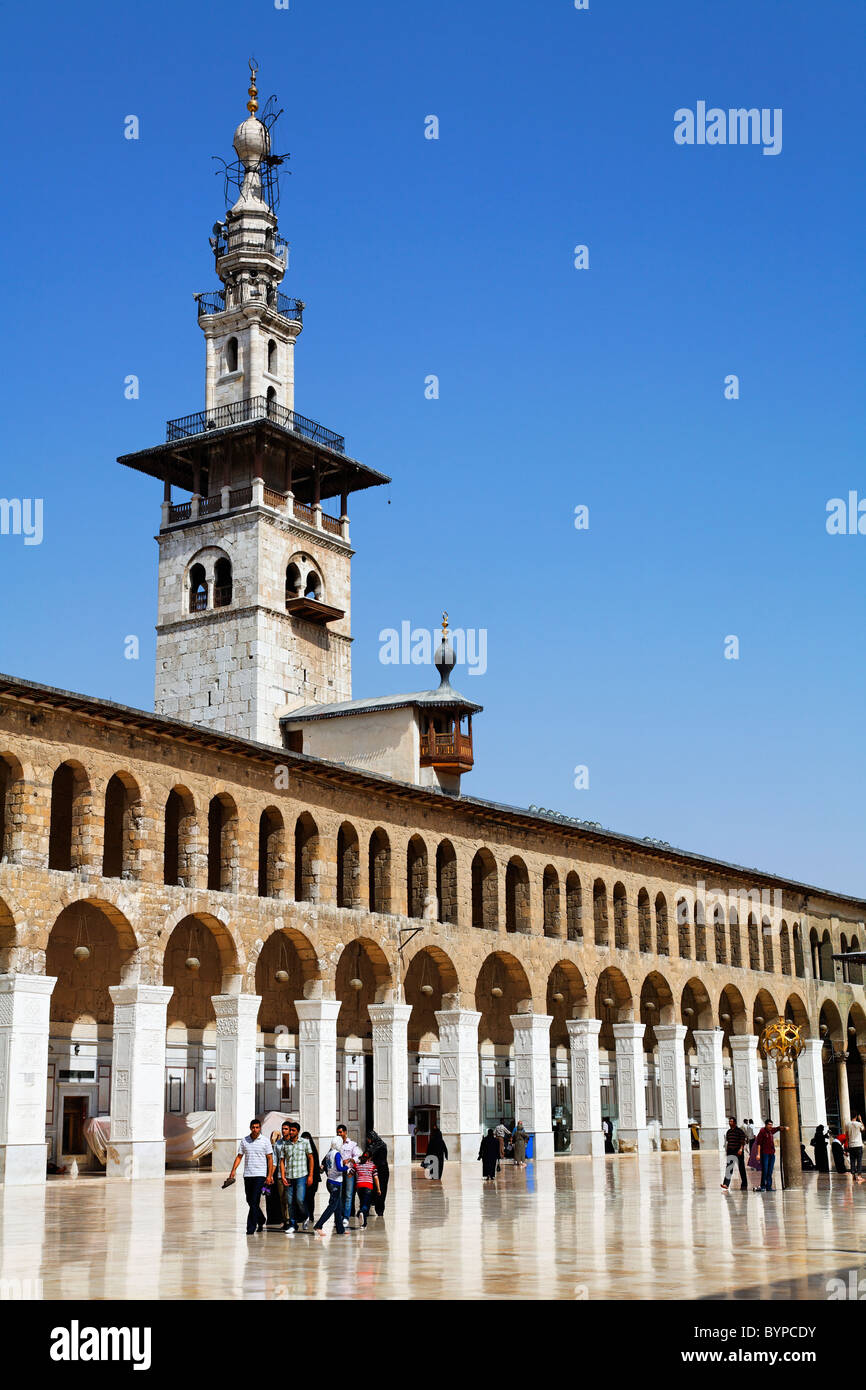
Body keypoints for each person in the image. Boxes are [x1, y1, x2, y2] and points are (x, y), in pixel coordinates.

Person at [227, 1118, 274, 1234]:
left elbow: (270, 1159)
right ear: (250, 1128)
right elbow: (239, 1156)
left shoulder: (265, 1141)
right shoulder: (244, 1141)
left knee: (254, 1200)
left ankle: (250, 1228)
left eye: (257, 1127)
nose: (255, 1129)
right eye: (253, 1127)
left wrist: (269, 1175)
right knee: (250, 1200)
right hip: (248, 1175)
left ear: (260, 1128)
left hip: (260, 1175)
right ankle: (261, 1219)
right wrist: (233, 1171)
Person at [277, 1120, 315, 1234]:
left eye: (293, 1130)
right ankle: (293, 1224)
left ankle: (305, 1215)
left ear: (298, 1132)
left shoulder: (304, 1142)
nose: (291, 1132)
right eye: (290, 1130)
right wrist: (283, 1176)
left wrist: (311, 1175)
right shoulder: (285, 1144)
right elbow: (282, 1161)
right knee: (290, 1202)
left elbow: (311, 1158)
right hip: (289, 1176)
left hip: (301, 1175)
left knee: (300, 1199)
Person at [313, 1139, 346, 1238]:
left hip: (330, 1181)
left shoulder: (329, 1153)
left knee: (338, 1206)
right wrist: (347, 1167)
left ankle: (340, 1229)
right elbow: (340, 1168)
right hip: (335, 1183)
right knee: (332, 1206)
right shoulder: (337, 1154)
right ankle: (319, 1225)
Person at [336, 1124, 362, 1228]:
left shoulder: (352, 1144)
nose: (339, 1134)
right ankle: (340, 1216)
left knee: (348, 1194)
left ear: (345, 1132)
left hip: (349, 1172)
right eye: (338, 1132)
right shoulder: (335, 1144)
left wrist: (350, 1160)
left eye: (341, 1132)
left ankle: (346, 1217)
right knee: (339, 1194)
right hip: (338, 1172)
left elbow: (358, 1156)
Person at [756, 1118, 787, 1191]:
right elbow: (759, 1144)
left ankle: (769, 1186)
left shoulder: (771, 1131)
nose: (770, 1126)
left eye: (771, 1125)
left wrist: (785, 1128)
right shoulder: (762, 1131)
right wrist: (758, 1154)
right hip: (764, 1154)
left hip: (771, 1154)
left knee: (770, 1170)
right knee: (765, 1170)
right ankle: (763, 1186)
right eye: (769, 1125)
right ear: (766, 1125)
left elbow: (778, 1128)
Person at [720, 1117, 748, 1191]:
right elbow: (728, 1142)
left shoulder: (739, 1131)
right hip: (731, 1151)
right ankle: (726, 1184)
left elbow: (743, 1141)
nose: (730, 1123)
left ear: (735, 1123)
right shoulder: (728, 1132)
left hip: (738, 1151)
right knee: (729, 1168)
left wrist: (741, 1149)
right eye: (729, 1121)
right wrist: (727, 1151)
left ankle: (744, 1183)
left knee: (741, 1168)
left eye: (731, 1121)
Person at [366, 1129, 389, 1216]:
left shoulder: (379, 1146)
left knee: (381, 1190)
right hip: (376, 1170)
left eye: (368, 1138)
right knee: (373, 1190)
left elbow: (368, 1155)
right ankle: (375, 1207)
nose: (367, 1141)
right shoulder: (375, 1145)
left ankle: (379, 1210)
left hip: (381, 1171)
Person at [354, 1152, 381, 1227]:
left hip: (359, 1187)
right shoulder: (372, 1166)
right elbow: (376, 1178)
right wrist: (378, 1189)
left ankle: (364, 1224)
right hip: (368, 1186)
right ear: (369, 1158)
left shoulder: (357, 1165)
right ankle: (361, 1212)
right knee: (366, 1205)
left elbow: (350, 1174)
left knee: (362, 1203)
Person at [301, 1131, 321, 1222]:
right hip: (302, 1177)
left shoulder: (313, 1151)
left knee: (310, 1197)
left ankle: (311, 1215)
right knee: (302, 1197)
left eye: (307, 1139)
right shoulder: (300, 1151)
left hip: (313, 1178)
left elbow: (316, 1165)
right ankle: (305, 1215)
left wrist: (312, 1176)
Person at [845, 1114, 864, 1179]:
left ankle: (853, 1175)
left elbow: (846, 1135)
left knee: (852, 1160)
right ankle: (859, 1175)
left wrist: (847, 1144)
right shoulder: (858, 1124)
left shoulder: (847, 1124)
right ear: (856, 1117)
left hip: (851, 1145)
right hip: (858, 1144)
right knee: (859, 1160)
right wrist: (861, 1120)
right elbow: (863, 1129)